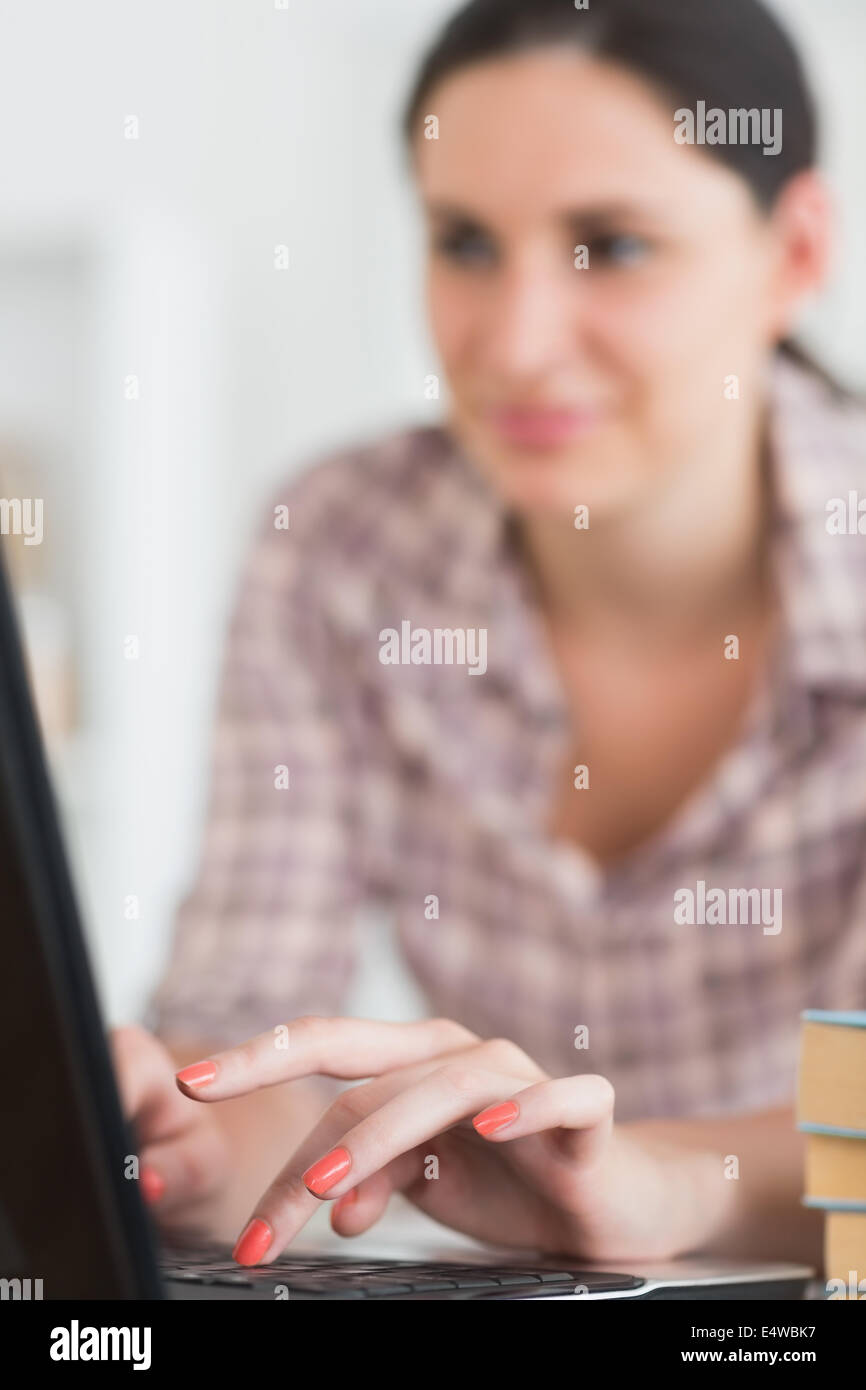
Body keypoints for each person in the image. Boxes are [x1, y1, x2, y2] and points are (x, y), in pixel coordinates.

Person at [114, 0, 866, 1268]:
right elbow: (246, 1029)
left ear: (791, 253)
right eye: (463, 242)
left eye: (611, 245)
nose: (512, 343)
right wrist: (187, 1143)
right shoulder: (337, 548)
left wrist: (658, 1188)